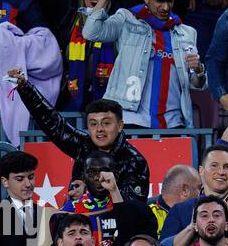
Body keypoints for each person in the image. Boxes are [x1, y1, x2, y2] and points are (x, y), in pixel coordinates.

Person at [81, 0, 207, 128]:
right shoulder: (127, 20)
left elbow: (196, 84)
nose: (166, 6)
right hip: (131, 119)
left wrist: (198, 70)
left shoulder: (187, 33)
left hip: (173, 123)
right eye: (160, 0)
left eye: (170, 0)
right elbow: (91, 32)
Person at [13, 73, 150, 202]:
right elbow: (53, 123)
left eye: (106, 123)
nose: (99, 129)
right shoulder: (83, 145)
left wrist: (88, 194)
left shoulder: (135, 161)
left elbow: (132, 210)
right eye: (93, 124)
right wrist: (25, 88)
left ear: (120, 126)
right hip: (79, 221)